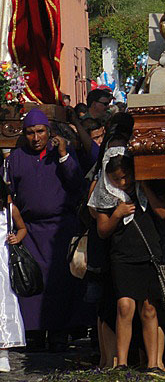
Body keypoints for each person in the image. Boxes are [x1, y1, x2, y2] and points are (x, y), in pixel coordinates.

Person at [6, 108, 84, 350]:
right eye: (30, 133)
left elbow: (76, 183)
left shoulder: (62, 152)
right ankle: (34, 333)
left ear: (48, 132)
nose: (36, 137)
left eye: (40, 131)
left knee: (59, 283)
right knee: (31, 281)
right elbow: (6, 191)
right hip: (29, 230)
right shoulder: (16, 158)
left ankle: (59, 332)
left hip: (60, 229)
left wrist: (62, 154)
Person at [92, 150, 165, 377]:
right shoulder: (108, 197)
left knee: (148, 308)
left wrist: (144, 186)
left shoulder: (145, 190)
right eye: (116, 179)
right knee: (125, 307)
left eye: (126, 176)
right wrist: (117, 214)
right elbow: (103, 230)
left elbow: (162, 213)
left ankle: (153, 363)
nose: (123, 182)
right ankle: (122, 362)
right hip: (123, 256)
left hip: (148, 255)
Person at [0, 176, 26, 373]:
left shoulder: (9, 211)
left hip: (2, 267)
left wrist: (16, 238)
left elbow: (23, 228)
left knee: (4, 306)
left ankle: (3, 352)